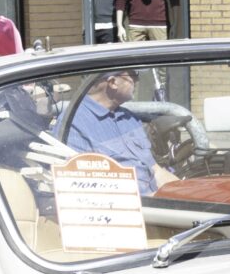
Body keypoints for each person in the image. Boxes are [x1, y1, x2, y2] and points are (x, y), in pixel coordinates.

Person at [58, 67, 172, 197]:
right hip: (131, 206)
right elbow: (82, 192)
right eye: (133, 74)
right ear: (112, 82)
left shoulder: (129, 118)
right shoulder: (74, 123)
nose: (137, 79)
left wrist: (184, 191)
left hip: (158, 202)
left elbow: (155, 170)